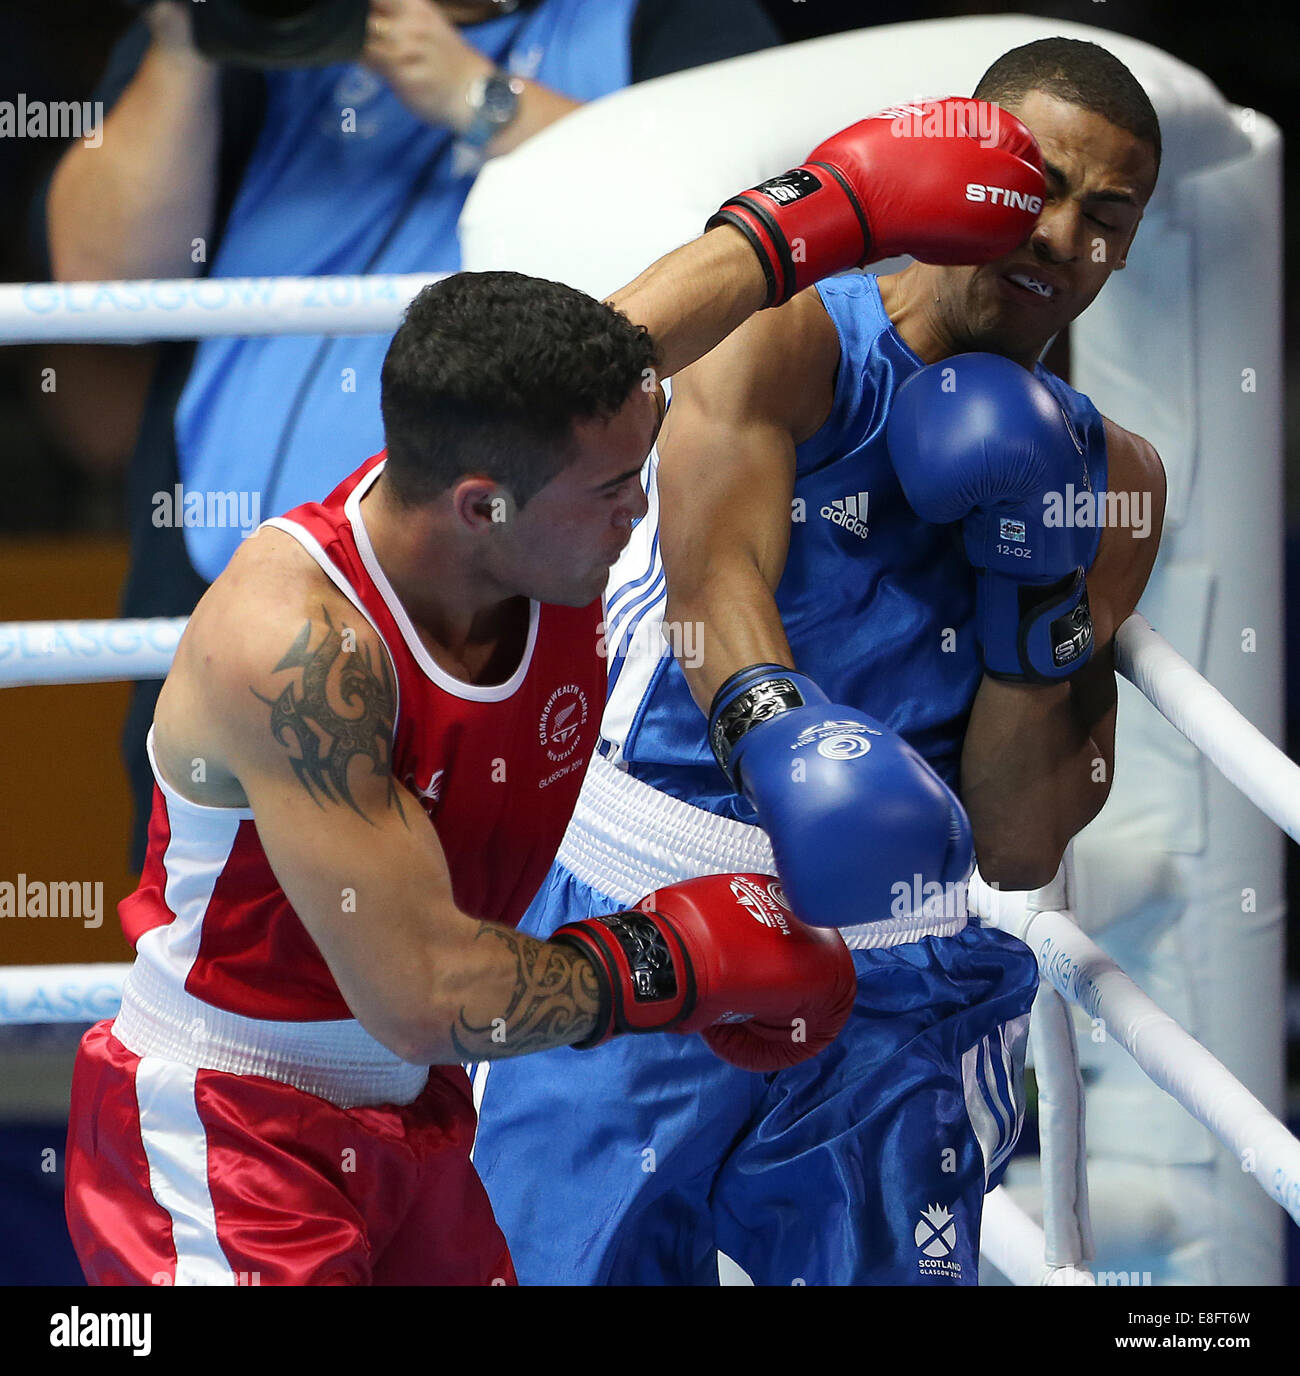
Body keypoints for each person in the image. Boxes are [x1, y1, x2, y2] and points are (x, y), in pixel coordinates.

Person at [62, 100, 1046, 1285]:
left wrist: (833, 205)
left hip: (416, 1125)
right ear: (485, 505)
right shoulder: (298, 651)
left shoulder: (540, 459)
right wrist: (677, 956)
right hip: (236, 1123)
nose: (643, 512)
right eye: (616, 492)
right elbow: (427, 993)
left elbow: (664, 316)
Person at [471, 37, 1168, 1285]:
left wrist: (1031, 587)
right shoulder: (792, 338)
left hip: (904, 966)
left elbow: (1016, 842)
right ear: (963, 168)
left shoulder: (1115, 483)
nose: (1061, 235)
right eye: (1037, 186)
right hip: (663, 895)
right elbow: (711, 587)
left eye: (1104, 215)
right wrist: (786, 735)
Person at [39, 0, 782, 868]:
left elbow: (735, 249)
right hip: (229, 581)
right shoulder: (262, 29)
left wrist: (485, 99)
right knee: (219, 929)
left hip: (521, 615)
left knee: (477, 932)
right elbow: (95, 273)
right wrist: (187, 41)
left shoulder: (664, 21)